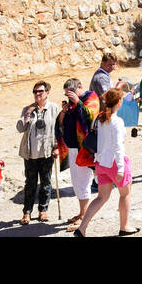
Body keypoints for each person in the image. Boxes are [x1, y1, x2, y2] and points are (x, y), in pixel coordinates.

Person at [75, 88, 139, 237]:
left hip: (101, 164)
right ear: (119, 101)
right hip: (115, 163)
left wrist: (97, 163)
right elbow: (118, 146)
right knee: (125, 194)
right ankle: (125, 227)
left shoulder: (100, 118)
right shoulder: (117, 121)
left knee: (101, 197)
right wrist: (121, 169)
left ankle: (82, 228)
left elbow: (99, 142)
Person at [56, 78, 99, 231]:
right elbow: (62, 123)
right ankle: (82, 213)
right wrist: (65, 111)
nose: (70, 97)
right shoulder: (74, 103)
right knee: (77, 182)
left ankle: (84, 216)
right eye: (68, 95)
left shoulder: (91, 97)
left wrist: (78, 103)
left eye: (72, 93)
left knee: (83, 182)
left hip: (84, 149)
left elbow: (90, 118)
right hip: (72, 147)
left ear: (80, 87)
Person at [16, 80, 58, 224]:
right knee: (30, 183)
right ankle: (27, 212)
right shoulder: (27, 109)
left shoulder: (54, 109)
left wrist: (57, 147)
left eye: (40, 91)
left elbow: (58, 130)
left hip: (46, 152)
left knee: (46, 182)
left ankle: (43, 210)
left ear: (47, 93)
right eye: (35, 92)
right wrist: (27, 113)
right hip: (30, 153)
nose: (37, 94)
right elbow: (20, 128)